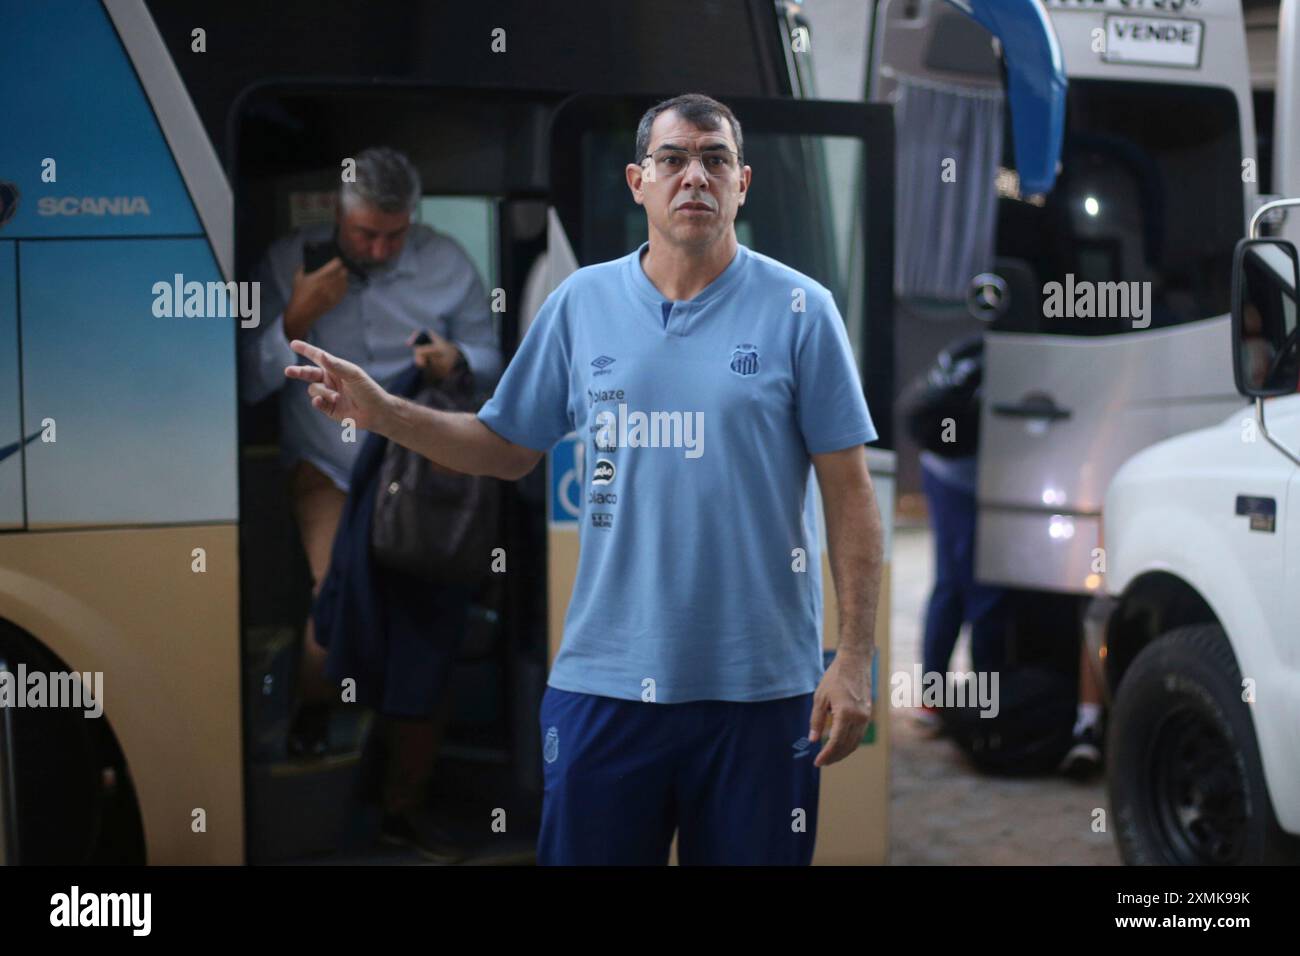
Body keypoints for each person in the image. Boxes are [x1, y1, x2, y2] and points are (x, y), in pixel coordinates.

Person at [283, 94, 884, 865]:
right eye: (672, 160)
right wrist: (386, 413)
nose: (693, 176)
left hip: (764, 695)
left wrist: (855, 657)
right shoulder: (581, 305)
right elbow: (504, 448)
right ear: (638, 182)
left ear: (743, 183)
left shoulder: (803, 311)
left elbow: (851, 493)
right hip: (605, 688)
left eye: (715, 160)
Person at [240, 146, 501, 859]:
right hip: (328, 466)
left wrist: (459, 362)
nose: (381, 248)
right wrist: (295, 312)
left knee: (424, 628)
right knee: (340, 602)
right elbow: (244, 384)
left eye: (395, 233)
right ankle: (311, 757)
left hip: (421, 469)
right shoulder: (291, 257)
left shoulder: (446, 262)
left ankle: (401, 809)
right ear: (338, 214)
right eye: (366, 234)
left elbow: (495, 358)